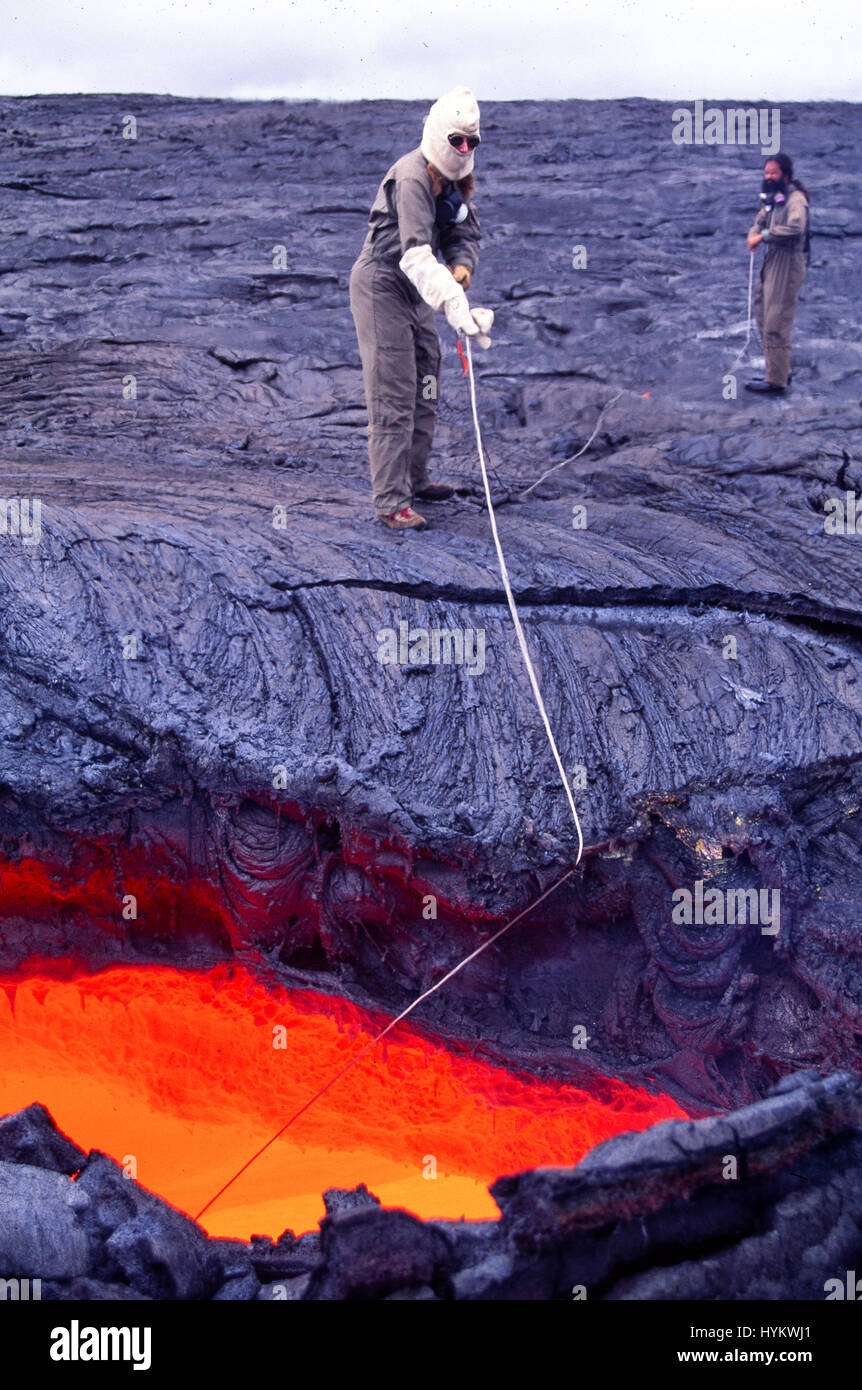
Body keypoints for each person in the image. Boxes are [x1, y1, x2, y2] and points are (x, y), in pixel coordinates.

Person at [349, 86, 494, 531]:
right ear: (440, 136)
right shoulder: (412, 176)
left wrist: (462, 270)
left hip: (417, 292)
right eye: (457, 141)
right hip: (384, 286)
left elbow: (463, 233)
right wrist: (453, 302)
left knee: (427, 379)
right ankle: (391, 501)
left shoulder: (451, 181)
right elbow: (414, 253)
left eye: (472, 142)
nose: (465, 149)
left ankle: (415, 475)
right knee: (393, 390)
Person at [745, 153, 811, 395]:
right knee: (762, 313)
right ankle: (779, 370)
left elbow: (795, 227)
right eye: (766, 173)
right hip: (771, 261)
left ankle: (777, 380)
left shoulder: (796, 199)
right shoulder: (775, 197)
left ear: (785, 174)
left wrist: (763, 236)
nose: (769, 177)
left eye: (773, 172)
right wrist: (753, 234)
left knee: (776, 321)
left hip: (787, 263)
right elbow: (761, 218)